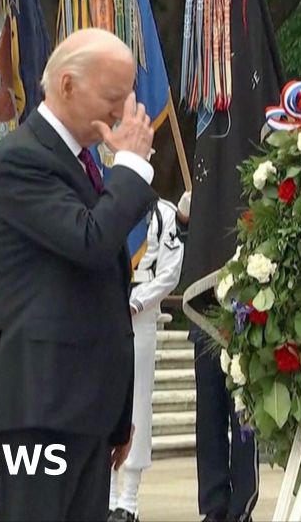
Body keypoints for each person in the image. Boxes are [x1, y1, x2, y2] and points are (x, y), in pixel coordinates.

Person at [0, 28, 156, 522]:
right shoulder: (20, 160)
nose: (123, 113)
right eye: (113, 97)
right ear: (68, 85)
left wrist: (116, 417)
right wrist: (133, 166)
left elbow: (98, 292)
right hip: (37, 408)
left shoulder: (81, 165)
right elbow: (92, 240)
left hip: (81, 410)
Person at [108, 199, 185, 522]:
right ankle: (107, 496)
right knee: (103, 402)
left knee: (137, 401)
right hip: (104, 310)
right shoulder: (106, 202)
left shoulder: (162, 212)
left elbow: (170, 271)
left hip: (139, 313)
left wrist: (137, 303)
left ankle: (129, 499)